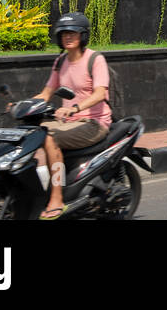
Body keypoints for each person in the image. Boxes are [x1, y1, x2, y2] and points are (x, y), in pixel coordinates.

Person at [32, 13, 111, 219]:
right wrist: (23, 105)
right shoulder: (60, 61)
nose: (68, 36)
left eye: (73, 32)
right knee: (35, 132)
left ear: (83, 36)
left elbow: (100, 93)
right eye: (64, 33)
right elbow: (46, 93)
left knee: (50, 138)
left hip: (94, 123)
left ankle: (57, 199)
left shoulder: (95, 59)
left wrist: (75, 108)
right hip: (69, 123)